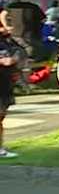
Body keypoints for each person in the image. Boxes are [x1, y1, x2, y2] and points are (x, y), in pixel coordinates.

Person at [0, 18, 21, 158]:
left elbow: (19, 51)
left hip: (5, 83)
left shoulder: (6, 41)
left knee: (1, 116)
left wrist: (14, 59)